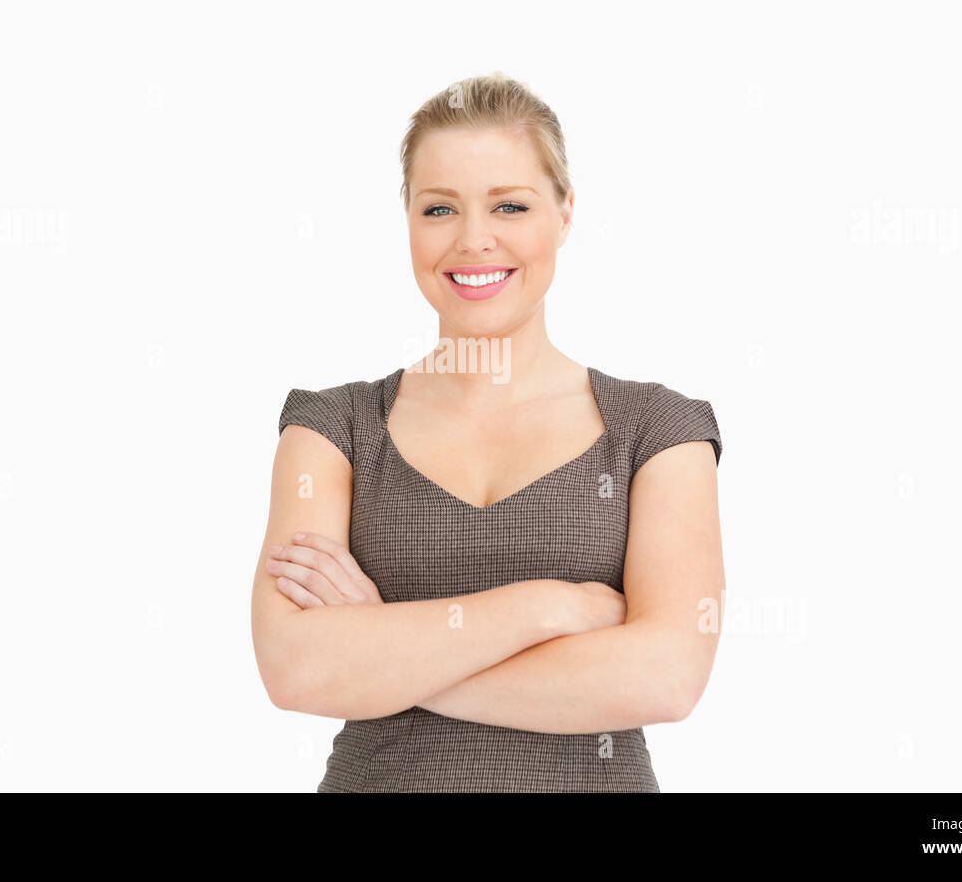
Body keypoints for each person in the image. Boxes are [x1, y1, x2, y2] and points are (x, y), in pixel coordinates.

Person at [251, 71, 725, 791]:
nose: (474, 240)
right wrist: (548, 608)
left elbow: (666, 678)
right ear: (407, 218)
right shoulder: (332, 429)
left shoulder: (657, 431)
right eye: (439, 209)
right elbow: (295, 668)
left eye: (510, 205)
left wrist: (387, 650)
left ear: (565, 214)